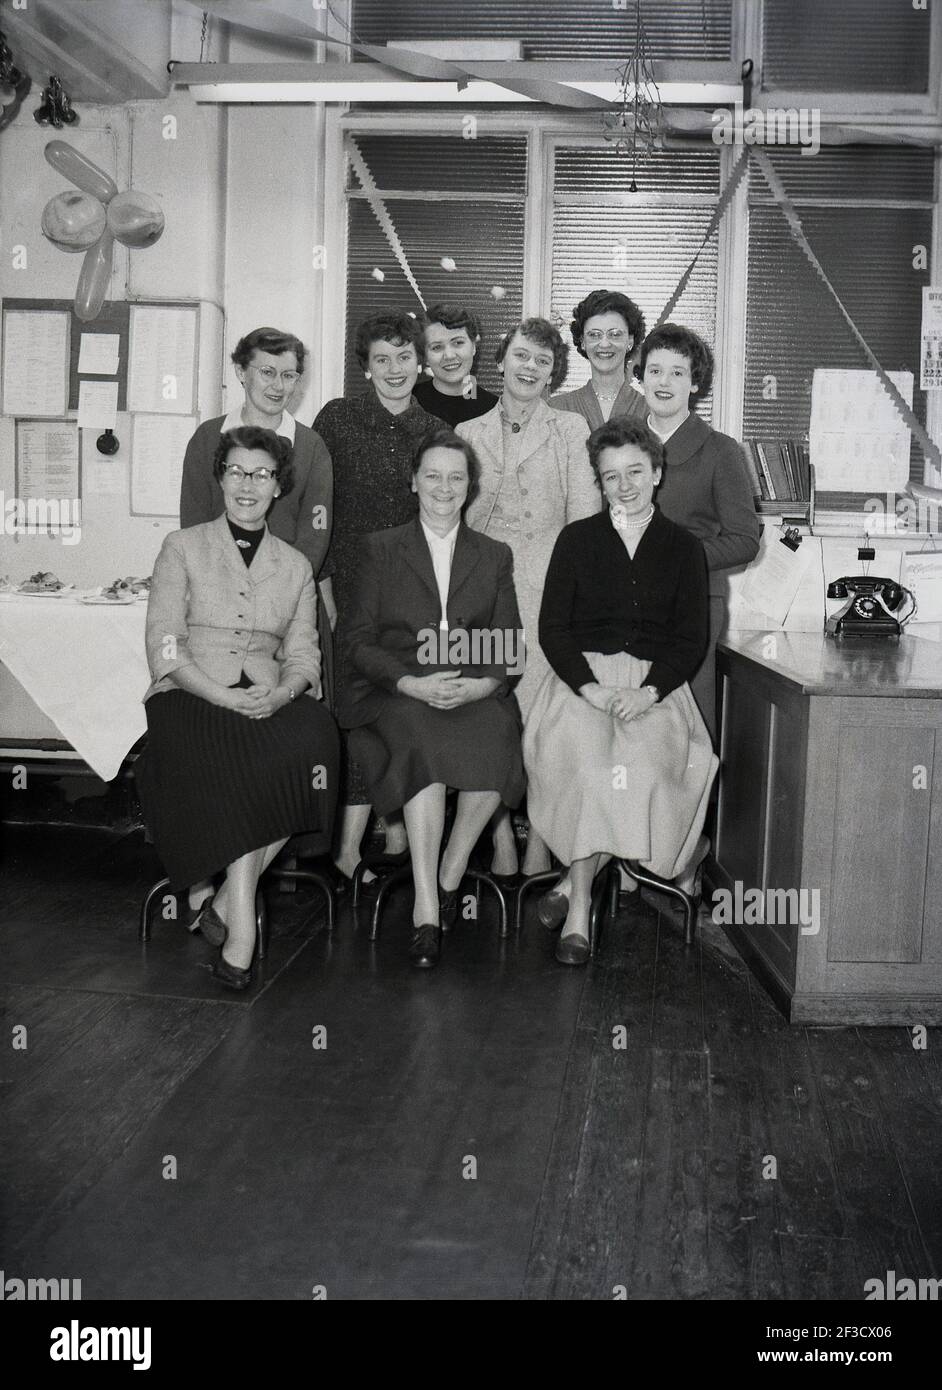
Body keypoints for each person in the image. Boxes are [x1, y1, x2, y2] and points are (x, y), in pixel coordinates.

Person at [138, 427, 340, 990]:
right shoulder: (182, 547)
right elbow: (165, 644)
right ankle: (242, 920)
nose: (247, 484)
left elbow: (303, 655)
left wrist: (283, 693)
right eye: (236, 471)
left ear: (279, 487)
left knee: (315, 741)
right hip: (190, 693)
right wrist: (221, 694)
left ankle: (227, 900)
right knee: (243, 761)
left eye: (262, 474)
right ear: (220, 478)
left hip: (268, 691)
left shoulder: (295, 564)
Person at [523, 417, 718, 966]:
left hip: (655, 689)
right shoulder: (577, 539)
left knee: (645, 772)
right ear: (599, 483)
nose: (624, 485)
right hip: (580, 686)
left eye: (635, 471)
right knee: (589, 770)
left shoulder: (683, 548)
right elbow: (552, 630)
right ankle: (582, 907)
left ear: (657, 472)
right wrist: (588, 688)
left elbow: (690, 638)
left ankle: (567, 884)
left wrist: (650, 691)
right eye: (611, 477)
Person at [340, 429, 525, 969]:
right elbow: (356, 641)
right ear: (413, 481)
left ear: (470, 487)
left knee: (497, 731)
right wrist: (410, 683)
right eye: (433, 476)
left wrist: (485, 684)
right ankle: (426, 903)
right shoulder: (380, 548)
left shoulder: (493, 555)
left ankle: (451, 870)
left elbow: (508, 642)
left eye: (456, 477)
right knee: (423, 738)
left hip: (471, 679)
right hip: (396, 685)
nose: (444, 487)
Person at [177, 326, 334, 918]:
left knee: (291, 746)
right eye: (266, 371)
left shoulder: (311, 446)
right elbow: (193, 529)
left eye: (289, 374)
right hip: (211, 623)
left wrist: (271, 595)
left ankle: (235, 889)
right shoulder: (205, 440)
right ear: (242, 371)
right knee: (208, 743)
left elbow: (315, 534)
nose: (277, 385)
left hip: (284, 614)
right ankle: (201, 870)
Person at [457, 316, 597, 878]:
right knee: (490, 717)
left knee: (542, 720)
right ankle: (498, 836)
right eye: (520, 356)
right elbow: (453, 520)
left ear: (553, 374)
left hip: (545, 594)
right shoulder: (468, 433)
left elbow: (585, 523)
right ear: (501, 361)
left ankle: (539, 837)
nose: (529, 368)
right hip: (483, 597)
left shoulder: (569, 431)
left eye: (542, 361)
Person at [314, 312, 438, 882]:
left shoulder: (436, 432)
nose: (395, 369)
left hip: (410, 602)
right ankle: (344, 851)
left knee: (402, 717)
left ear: (421, 362)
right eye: (381, 359)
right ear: (365, 367)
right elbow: (320, 515)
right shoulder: (336, 421)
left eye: (404, 357)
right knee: (354, 720)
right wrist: (327, 591)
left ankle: (387, 838)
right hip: (345, 593)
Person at [635, 323, 760, 738]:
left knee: (684, 730)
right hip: (622, 605)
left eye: (677, 372)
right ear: (642, 377)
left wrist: (676, 555)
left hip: (690, 606)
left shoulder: (720, 450)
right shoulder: (619, 443)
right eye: (655, 370)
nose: (664, 382)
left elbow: (745, 539)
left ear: (694, 382)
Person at [551, 289, 647, 428]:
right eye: (594, 335)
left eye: (615, 334)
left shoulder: (648, 410)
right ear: (583, 341)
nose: (604, 344)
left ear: (630, 341)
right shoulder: (557, 408)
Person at [414, 304, 499, 426]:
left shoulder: (495, 410)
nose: (449, 355)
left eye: (458, 343)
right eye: (437, 347)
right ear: (425, 356)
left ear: (474, 346)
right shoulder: (408, 403)